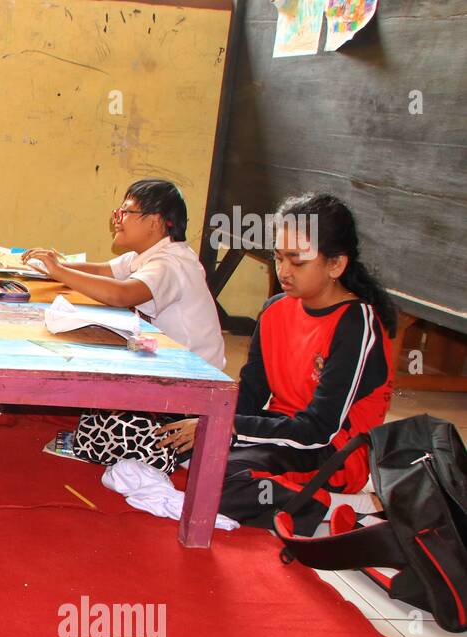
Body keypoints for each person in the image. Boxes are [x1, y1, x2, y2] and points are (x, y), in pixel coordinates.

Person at [158, 193, 397, 532]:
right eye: (278, 257)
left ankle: (344, 506)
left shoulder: (356, 322)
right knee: (182, 439)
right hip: (283, 432)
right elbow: (253, 394)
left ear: (336, 265)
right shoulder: (275, 309)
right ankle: (269, 488)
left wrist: (229, 428)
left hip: (333, 452)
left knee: (222, 483)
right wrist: (213, 421)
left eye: (296, 261)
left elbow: (319, 430)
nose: (283, 271)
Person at [22, 178, 225, 369]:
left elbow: (120, 295)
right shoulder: (147, 254)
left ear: (155, 222)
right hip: (172, 355)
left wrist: (59, 271)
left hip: (194, 369)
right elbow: (102, 270)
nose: (116, 220)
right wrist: (55, 266)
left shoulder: (171, 263)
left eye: (126, 213)